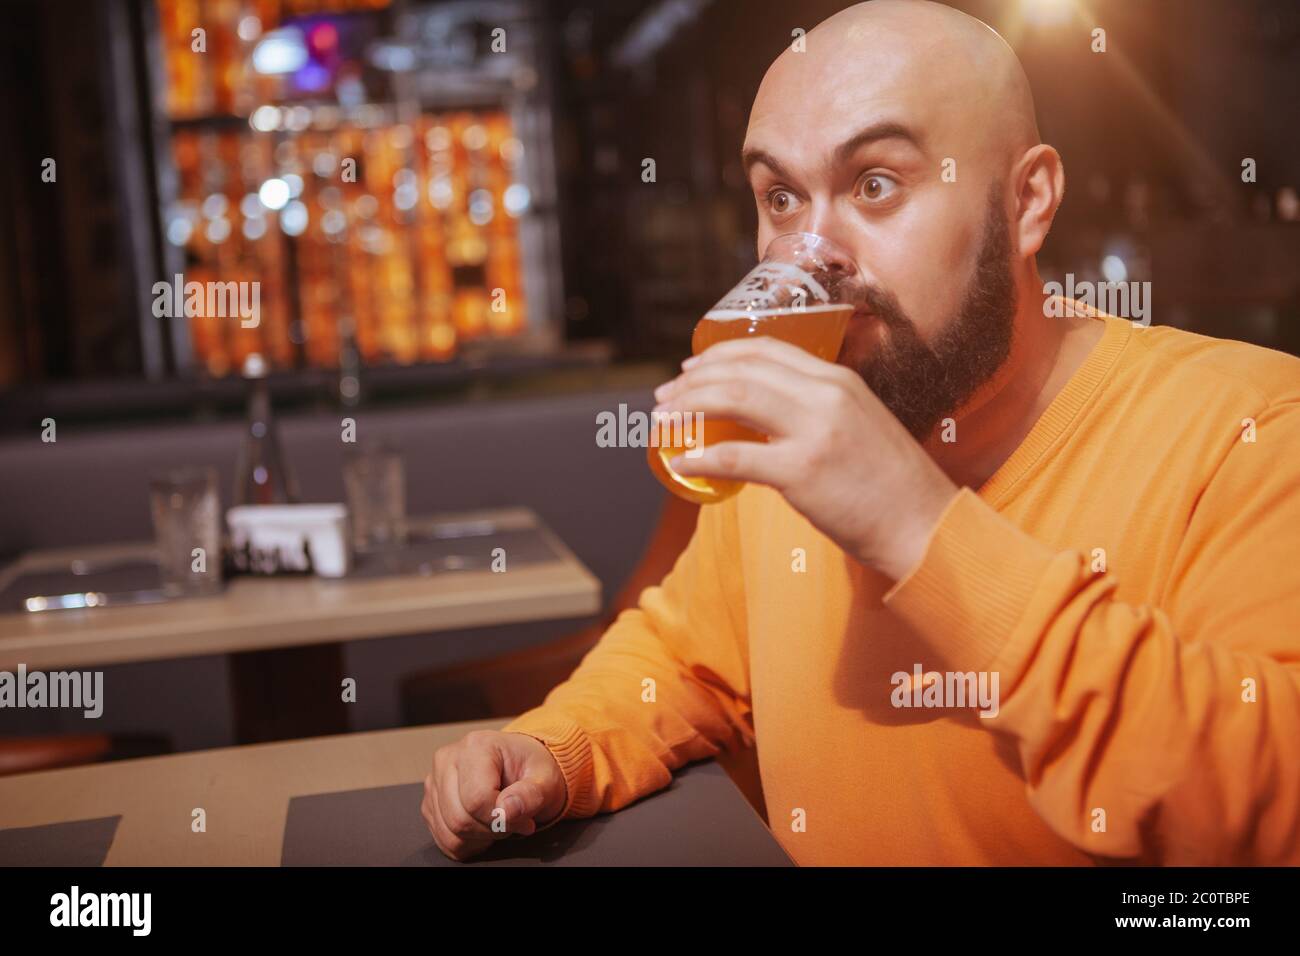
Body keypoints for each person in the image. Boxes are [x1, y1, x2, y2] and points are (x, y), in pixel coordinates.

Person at [421, 0, 1300, 864]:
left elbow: (1267, 806)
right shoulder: (792, 440)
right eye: (781, 196)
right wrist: (553, 750)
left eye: (875, 184)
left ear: (1027, 201)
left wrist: (916, 527)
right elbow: (686, 660)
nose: (814, 249)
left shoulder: (1248, 428)